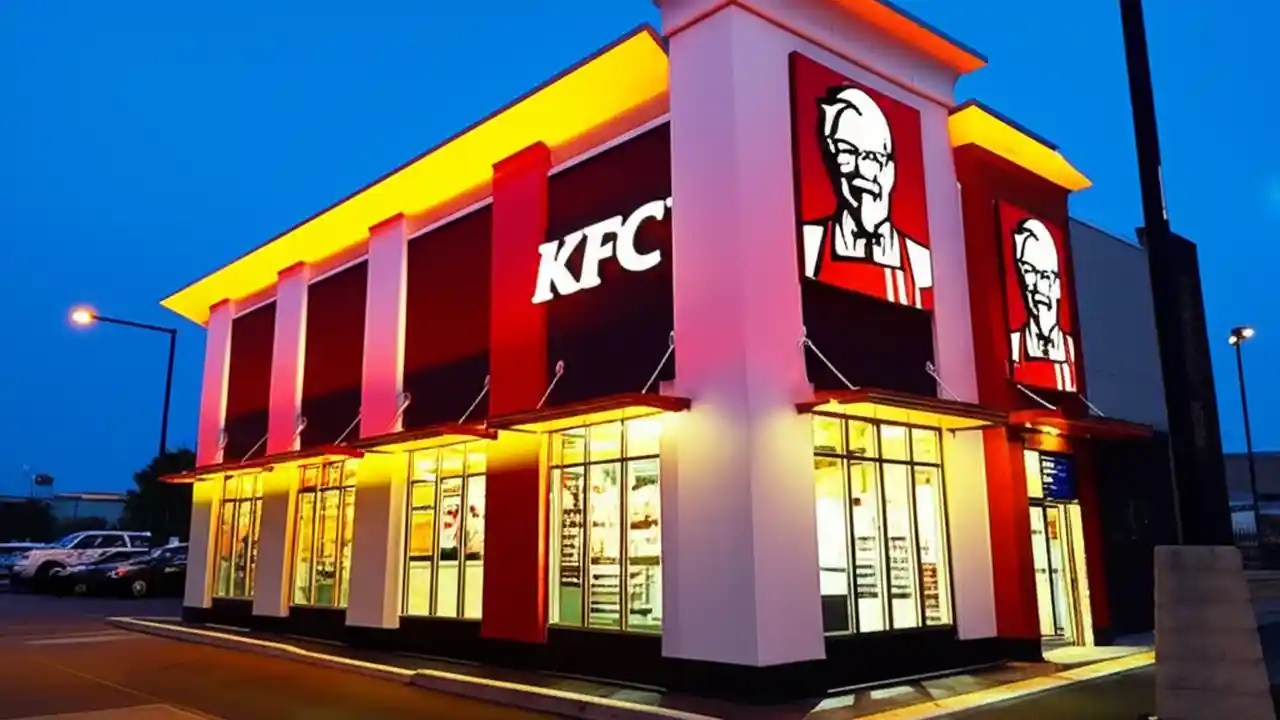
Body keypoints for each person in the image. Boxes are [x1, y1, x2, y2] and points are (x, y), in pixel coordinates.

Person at [802, 85, 932, 309]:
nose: (862, 169)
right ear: (831, 162)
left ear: (890, 170)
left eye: (872, 156)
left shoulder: (920, 262)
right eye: (847, 153)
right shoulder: (811, 245)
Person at [1009, 218, 1076, 391]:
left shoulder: (1074, 355)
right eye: (1029, 272)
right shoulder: (1014, 347)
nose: (1038, 286)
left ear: (1058, 285)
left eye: (1045, 275)